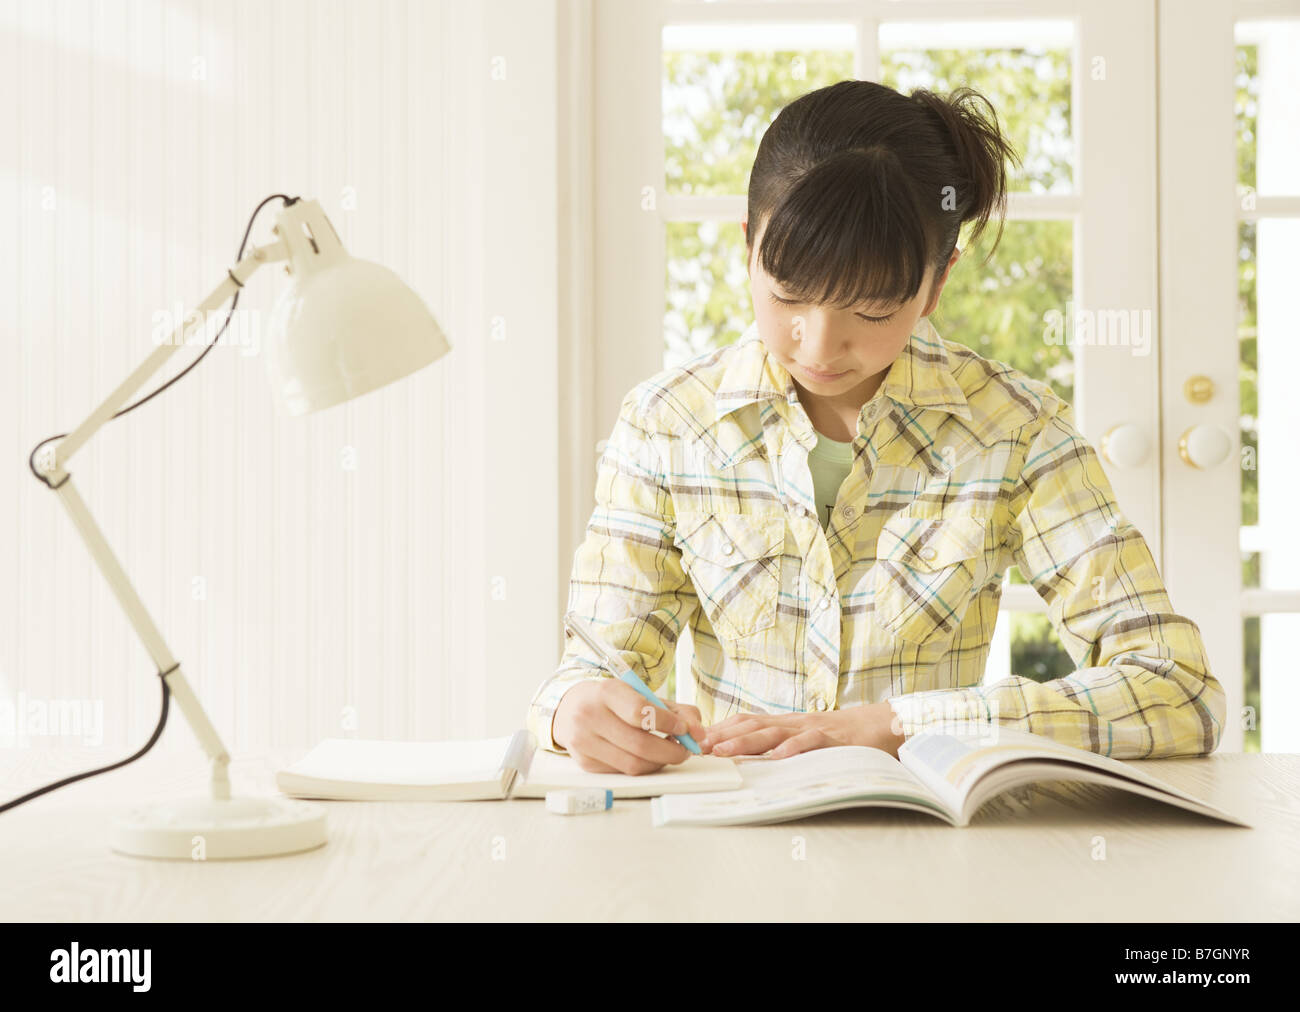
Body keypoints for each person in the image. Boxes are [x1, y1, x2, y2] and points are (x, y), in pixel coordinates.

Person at [527, 79, 1224, 775]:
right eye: (788, 296)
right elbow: (592, 668)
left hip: (933, 847)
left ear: (937, 281)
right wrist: (574, 712)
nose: (820, 346)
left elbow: (1178, 689)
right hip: (736, 840)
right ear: (749, 246)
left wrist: (905, 724)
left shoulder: (1016, 430)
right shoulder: (667, 424)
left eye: (871, 310)